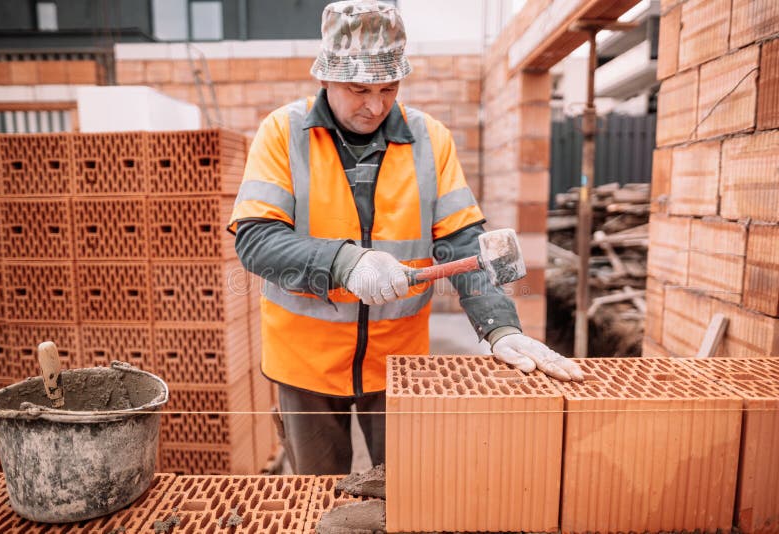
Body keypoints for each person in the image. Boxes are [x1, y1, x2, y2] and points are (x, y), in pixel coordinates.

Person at [228, 0, 583, 475]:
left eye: (389, 87)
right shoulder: (282, 134)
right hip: (303, 364)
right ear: (326, 78)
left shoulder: (430, 138)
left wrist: (498, 325)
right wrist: (345, 263)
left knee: (404, 494)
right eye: (359, 89)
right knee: (317, 499)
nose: (375, 104)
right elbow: (256, 240)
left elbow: (462, 243)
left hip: (399, 365)